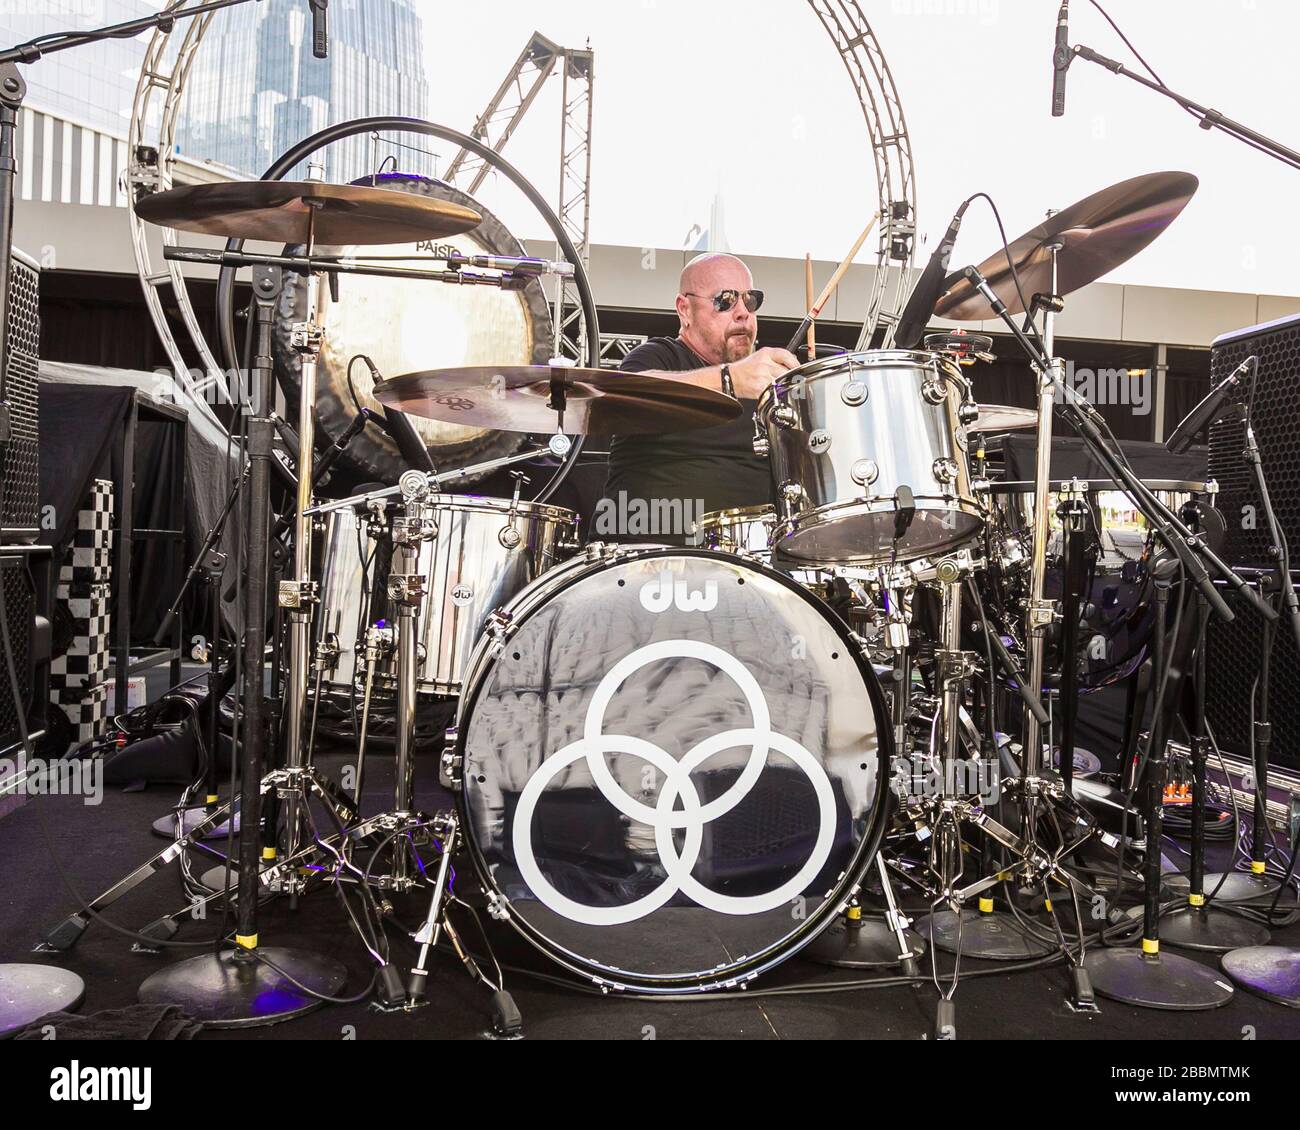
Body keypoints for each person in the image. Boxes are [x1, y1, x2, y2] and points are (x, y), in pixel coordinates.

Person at [599, 253, 799, 543]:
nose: (743, 312)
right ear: (685, 309)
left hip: (752, 570)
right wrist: (731, 380)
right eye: (725, 300)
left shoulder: (769, 385)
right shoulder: (658, 357)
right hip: (646, 564)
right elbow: (623, 394)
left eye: (750, 300)